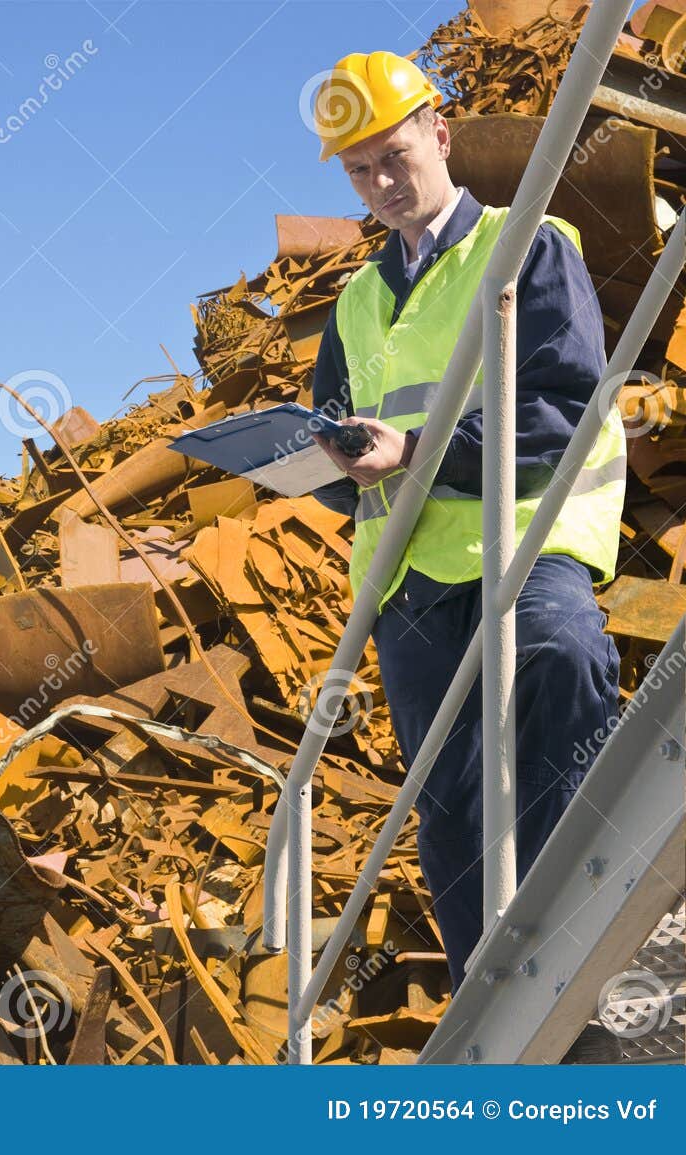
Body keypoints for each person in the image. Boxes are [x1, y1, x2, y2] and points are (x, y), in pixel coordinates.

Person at [306, 51, 626, 990]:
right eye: (359, 172)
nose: (380, 185)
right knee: (448, 804)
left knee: (565, 661)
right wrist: (319, 464)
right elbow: (343, 444)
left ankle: (582, 948)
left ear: (440, 134)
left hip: (522, 546)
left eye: (393, 156)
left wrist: (412, 451)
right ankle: (491, 996)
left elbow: (562, 408)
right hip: (409, 581)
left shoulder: (529, 246)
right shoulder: (357, 303)